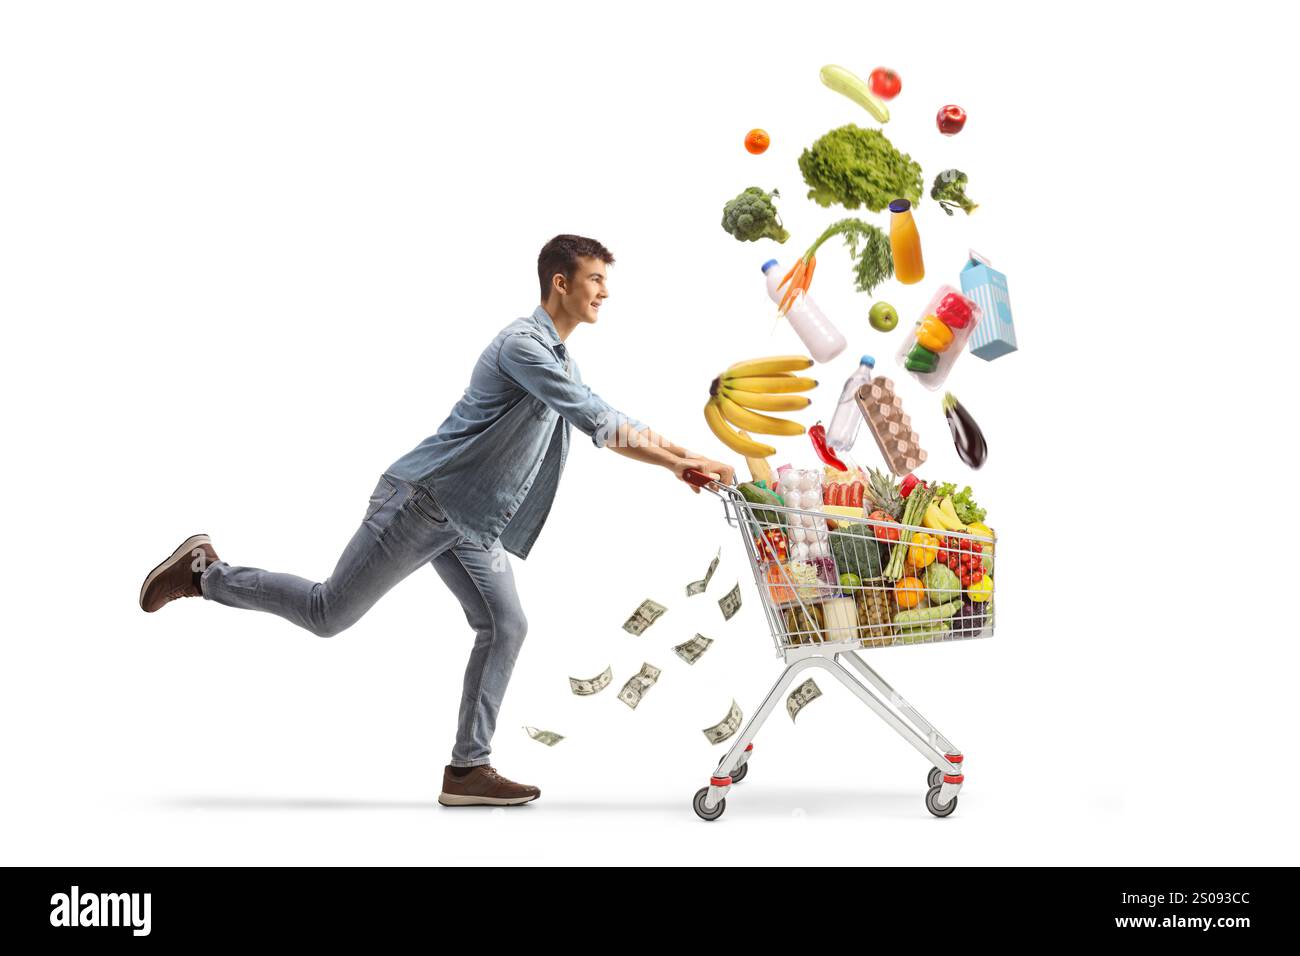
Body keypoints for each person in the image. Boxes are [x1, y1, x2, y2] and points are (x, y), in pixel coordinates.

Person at [138, 234, 736, 807]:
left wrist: (680, 461)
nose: (605, 293)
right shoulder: (522, 346)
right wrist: (680, 461)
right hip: (423, 503)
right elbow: (596, 419)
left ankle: (467, 769)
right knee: (327, 613)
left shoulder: (560, 357)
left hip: (473, 524)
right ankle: (205, 572)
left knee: (506, 626)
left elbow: (607, 419)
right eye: (597, 280)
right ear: (562, 282)